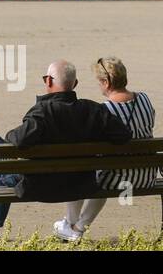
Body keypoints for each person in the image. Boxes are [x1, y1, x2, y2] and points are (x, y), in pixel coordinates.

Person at [0, 59, 131, 243]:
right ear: (74, 84)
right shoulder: (93, 110)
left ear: (49, 81)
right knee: (2, 171)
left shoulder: (43, 112)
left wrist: (10, 135)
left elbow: (18, 140)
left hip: (36, 186)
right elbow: (124, 135)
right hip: (79, 185)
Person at [55, 57, 157, 241]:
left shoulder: (104, 110)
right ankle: (75, 228)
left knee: (80, 172)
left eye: (99, 82)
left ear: (106, 82)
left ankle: (71, 226)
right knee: (101, 172)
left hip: (119, 179)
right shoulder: (144, 99)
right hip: (147, 176)